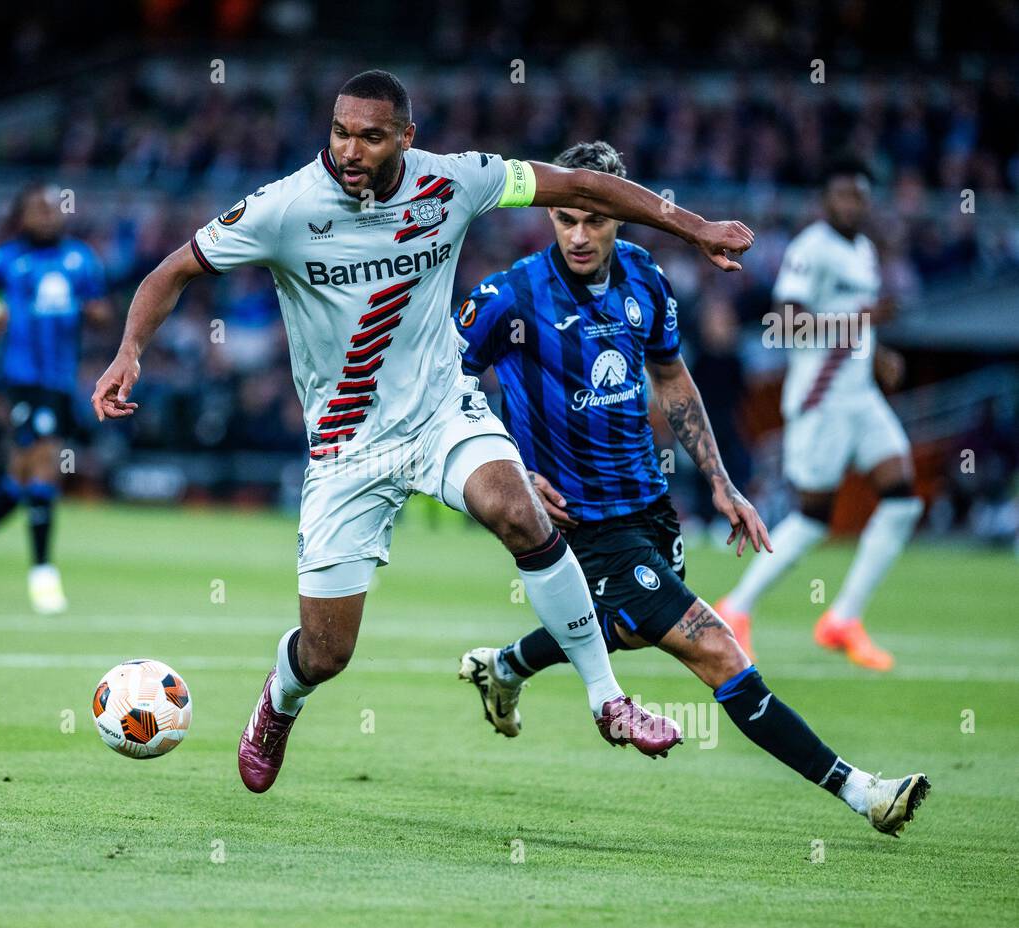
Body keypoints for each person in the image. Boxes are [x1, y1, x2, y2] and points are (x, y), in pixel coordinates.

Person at [92, 70, 755, 795]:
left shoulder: (456, 181)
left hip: (443, 414)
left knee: (517, 509)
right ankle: (280, 702)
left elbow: (582, 188)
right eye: (341, 133)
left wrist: (696, 227)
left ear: (406, 138)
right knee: (327, 651)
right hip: (348, 446)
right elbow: (172, 271)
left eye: (371, 137)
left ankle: (608, 701)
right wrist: (129, 352)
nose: (350, 150)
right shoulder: (284, 208)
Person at [455, 141, 929, 837]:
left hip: (649, 504)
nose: (580, 235)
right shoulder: (510, 295)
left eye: (596, 219)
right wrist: (509, 470)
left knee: (621, 627)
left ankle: (504, 667)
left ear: (622, 214)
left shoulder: (644, 278)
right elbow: (443, 381)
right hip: (579, 523)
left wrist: (722, 482)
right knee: (715, 649)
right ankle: (862, 792)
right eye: (565, 219)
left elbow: (672, 378)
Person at [716, 157, 921, 671]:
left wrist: (877, 352)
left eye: (859, 196)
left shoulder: (865, 251)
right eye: (842, 195)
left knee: (902, 498)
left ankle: (844, 619)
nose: (851, 204)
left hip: (860, 397)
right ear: (824, 200)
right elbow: (786, 325)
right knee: (812, 519)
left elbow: (855, 326)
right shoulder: (811, 249)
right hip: (821, 400)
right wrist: (863, 318)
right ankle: (735, 609)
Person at [0, 184, 111, 614]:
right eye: (37, 209)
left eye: (53, 209)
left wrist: (87, 311)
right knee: (46, 462)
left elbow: (103, 311)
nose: (47, 216)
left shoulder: (79, 259)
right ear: (21, 215)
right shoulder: (5, 260)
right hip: (18, 378)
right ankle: (43, 575)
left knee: (22, 474)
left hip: (59, 380)